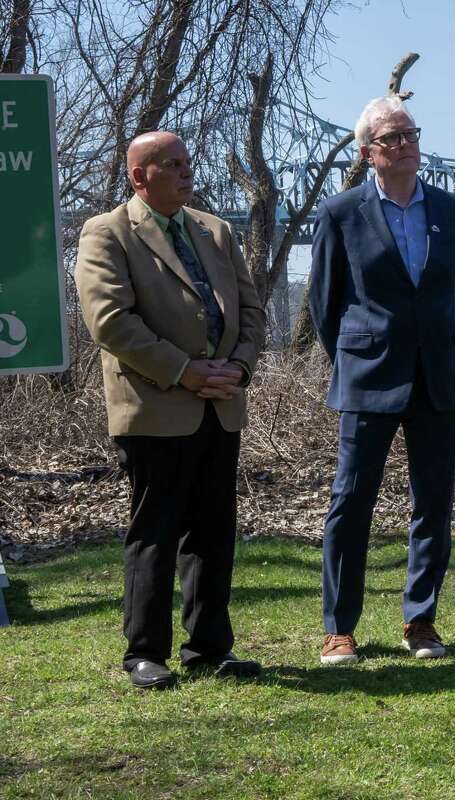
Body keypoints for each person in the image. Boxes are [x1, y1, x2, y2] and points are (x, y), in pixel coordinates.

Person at [75, 131, 266, 690]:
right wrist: (184, 370)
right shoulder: (107, 232)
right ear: (140, 176)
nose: (187, 172)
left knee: (213, 531)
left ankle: (209, 647)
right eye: (173, 164)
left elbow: (251, 311)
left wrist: (238, 368)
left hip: (220, 404)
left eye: (188, 162)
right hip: (155, 406)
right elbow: (110, 322)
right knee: (155, 531)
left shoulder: (215, 230)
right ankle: (145, 653)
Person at [309, 96, 455, 665]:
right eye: (391, 138)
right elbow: (325, 304)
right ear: (367, 153)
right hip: (368, 376)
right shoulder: (339, 213)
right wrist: (359, 353)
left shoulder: (454, 211)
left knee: (433, 503)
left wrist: (434, 343)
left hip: (437, 377)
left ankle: (420, 620)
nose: (405, 145)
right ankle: (339, 628)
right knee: (350, 501)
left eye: (410, 134)